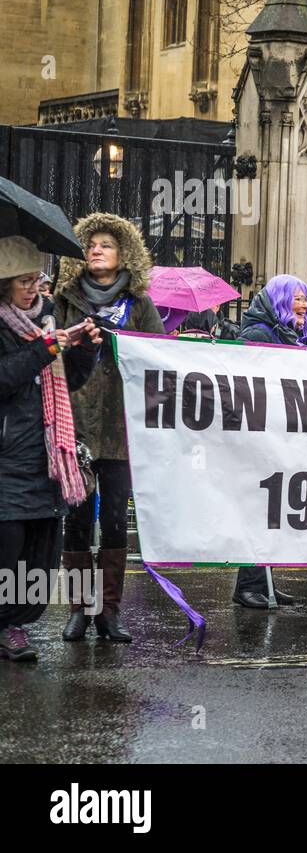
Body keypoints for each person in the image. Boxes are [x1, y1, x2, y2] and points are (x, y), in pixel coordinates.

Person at [53, 213, 165, 643]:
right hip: (74, 424)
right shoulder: (64, 299)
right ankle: (80, 610)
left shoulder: (138, 305)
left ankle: (109, 612)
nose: (96, 250)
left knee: (116, 521)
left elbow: (158, 360)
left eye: (106, 244)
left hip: (121, 430)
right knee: (77, 521)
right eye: (90, 244)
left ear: (124, 255)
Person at [0, 236, 102, 661]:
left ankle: (16, 623)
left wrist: (85, 350)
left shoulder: (47, 318)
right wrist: (43, 350)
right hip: (7, 459)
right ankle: (5, 626)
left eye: (36, 280)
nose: (33, 289)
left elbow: (68, 380)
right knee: (7, 546)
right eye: (23, 281)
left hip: (48, 458)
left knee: (40, 555)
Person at [231, 274, 307, 609]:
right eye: (296, 299)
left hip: (278, 433)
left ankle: (263, 581)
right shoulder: (258, 333)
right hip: (259, 435)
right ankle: (248, 583)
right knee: (258, 509)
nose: (304, 306)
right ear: (278, 301)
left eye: (305, 299)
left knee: (270, 511)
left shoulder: (283, 333)